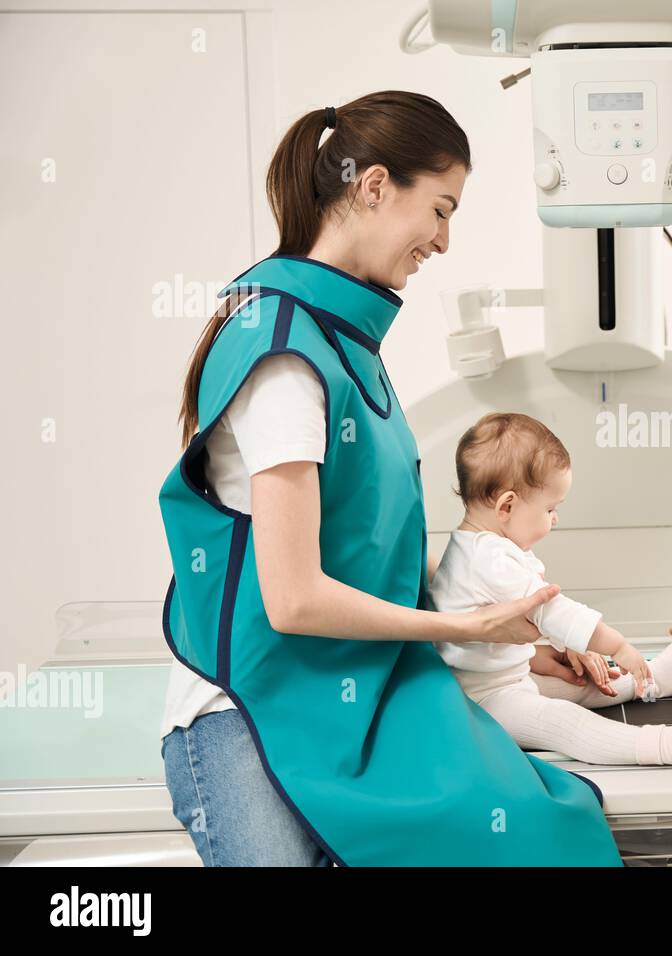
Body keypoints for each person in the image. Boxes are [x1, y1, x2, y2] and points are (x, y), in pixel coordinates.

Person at [159, 92, 621, 866]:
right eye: (439, 209)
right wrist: (465, 629)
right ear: (373, 186)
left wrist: (507, 651)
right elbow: (295, 597)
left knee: (535, 828)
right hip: (246, 705)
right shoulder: (285, 358)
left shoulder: (342, 343)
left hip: (348, 684)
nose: (443, 240)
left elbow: (369, 554)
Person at [430, 412, 672, 766]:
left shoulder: (477, 545)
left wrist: (567, 645)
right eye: (550, 508)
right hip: (484, 700)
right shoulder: (490, 558)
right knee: (563, 722)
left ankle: (653, 681)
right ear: (506, 506)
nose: (555, 518)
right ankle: (661, 745)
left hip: (510, 677)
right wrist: (619, 646)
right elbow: (552, 611)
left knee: (581, 685)